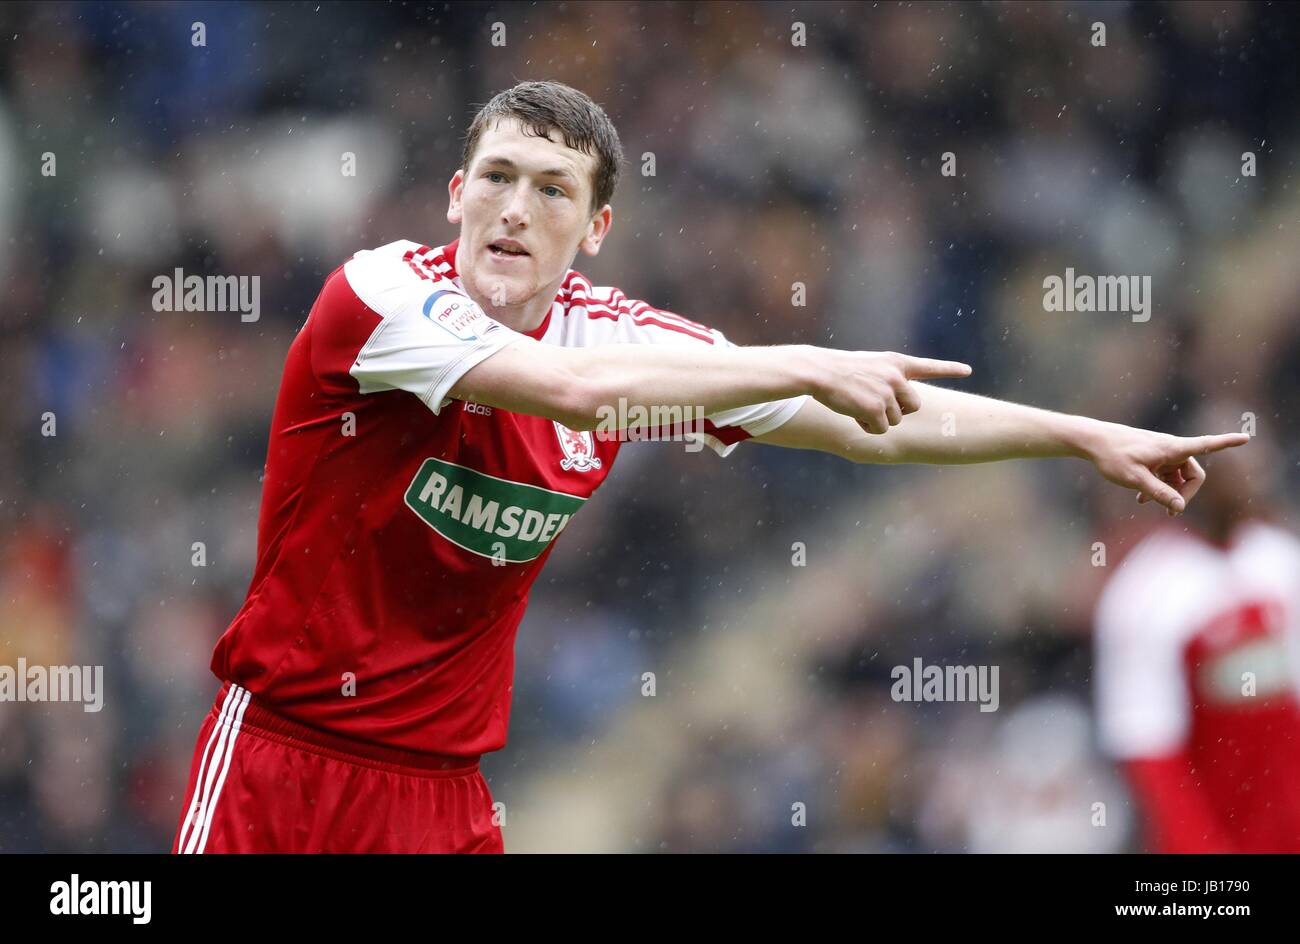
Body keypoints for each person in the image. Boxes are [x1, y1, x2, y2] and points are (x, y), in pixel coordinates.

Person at [172, 80, 1249, 853]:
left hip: (443, 794)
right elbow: (574, 394)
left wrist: (1079, 433)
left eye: (551, 190)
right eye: (496, 176)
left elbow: (870, 420)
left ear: (594, 228)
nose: (514, 207)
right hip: (284, 760)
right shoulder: (380, 297)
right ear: (453, 194)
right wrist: (810, 360)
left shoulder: (612, 333)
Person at [1094, 404, 1300, 852]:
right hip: (1214, 829)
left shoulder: (1281, 560)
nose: (1248, 478)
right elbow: (1146, 745)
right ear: (1186, 474)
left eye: (1255, 463)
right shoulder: (1147, 591)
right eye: (1231, 466)